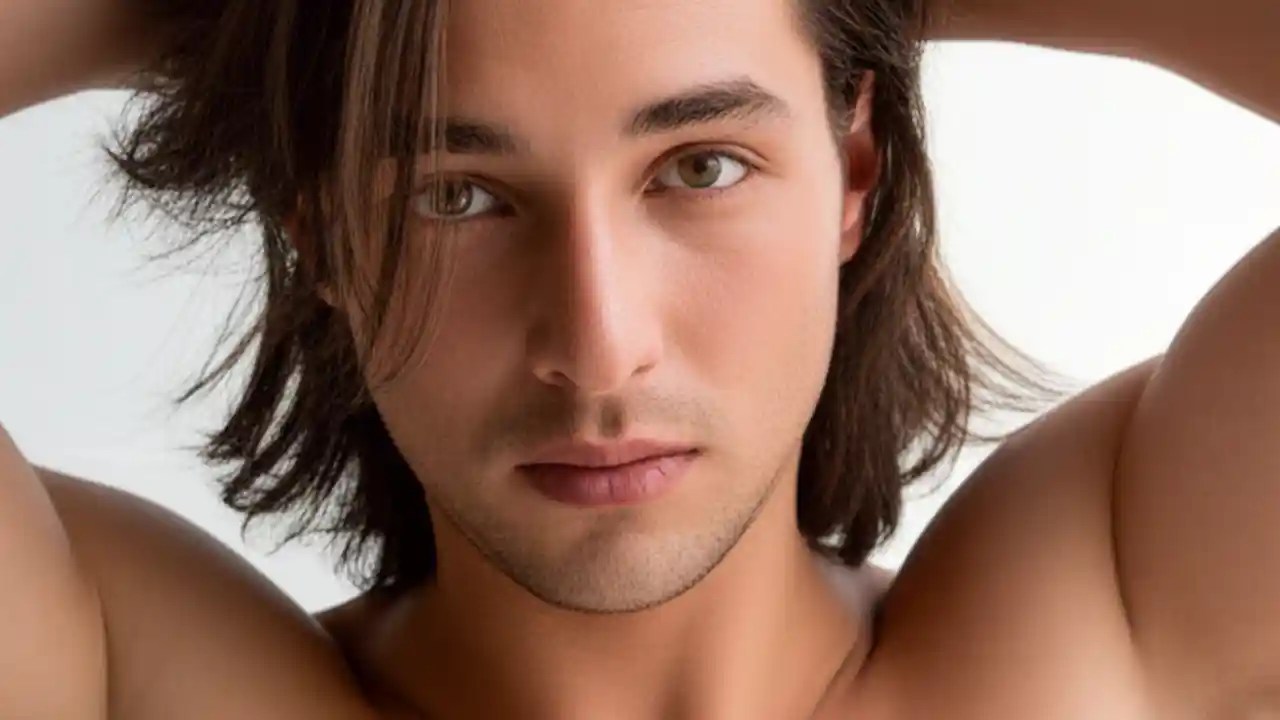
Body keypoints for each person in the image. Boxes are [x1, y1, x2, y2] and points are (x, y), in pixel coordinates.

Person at [0, 0, 1275, 717]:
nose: (599, 348)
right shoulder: (124, 679)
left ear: (854, 174)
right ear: (322, 229)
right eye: (457, 195)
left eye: (699, 167)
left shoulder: (1104, 632)